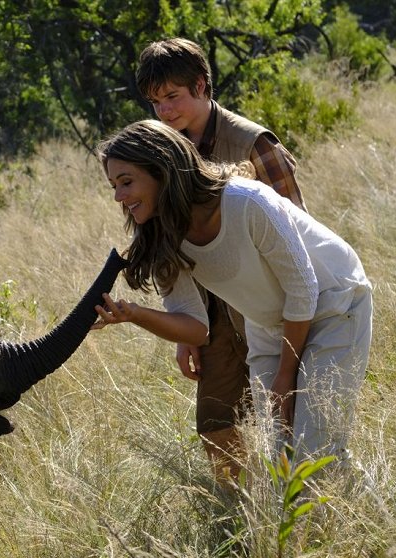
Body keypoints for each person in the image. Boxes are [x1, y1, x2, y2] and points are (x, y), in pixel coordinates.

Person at [91, 119, 372, 473]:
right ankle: (350, 514)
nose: (119, 196)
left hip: (334, 305)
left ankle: (372, 521)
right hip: (271, 327)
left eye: (127, 182)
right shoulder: (164, 236)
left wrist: (285, 377)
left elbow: (303, 290)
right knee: (285, 462)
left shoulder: (245, 201)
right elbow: (196, 329)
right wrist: (134, 314)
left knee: (315, 454)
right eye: (114, 186)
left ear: (161, 169)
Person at [134, 37, 308, 480]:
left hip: (267, 308)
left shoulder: (252, 143)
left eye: (173, 96)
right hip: (210, 317)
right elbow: (166, 241)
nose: (166, 111)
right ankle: (242, 517)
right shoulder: (161, 149)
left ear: (203, 86)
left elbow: (299, 239)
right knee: (218, 428)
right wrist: (183, 329)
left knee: (288, 423)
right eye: (156, 102)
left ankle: (295, 521)